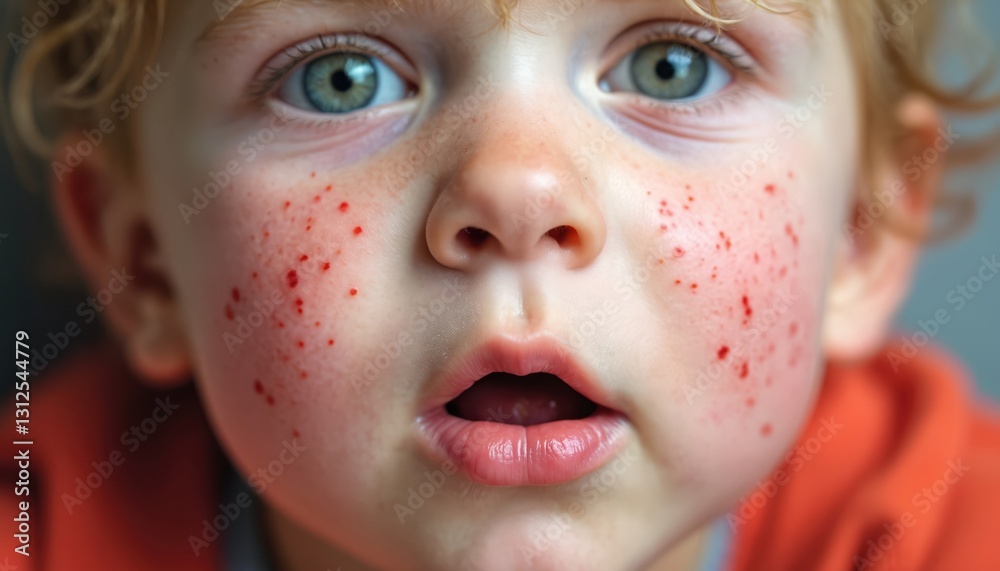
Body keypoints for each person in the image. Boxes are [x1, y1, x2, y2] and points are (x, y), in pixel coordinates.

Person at [3, 0, 999, 569]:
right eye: (339, 78)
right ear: (144, 266)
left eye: (669, 67)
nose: (519, 190)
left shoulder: (947, 527)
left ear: (859, 234)